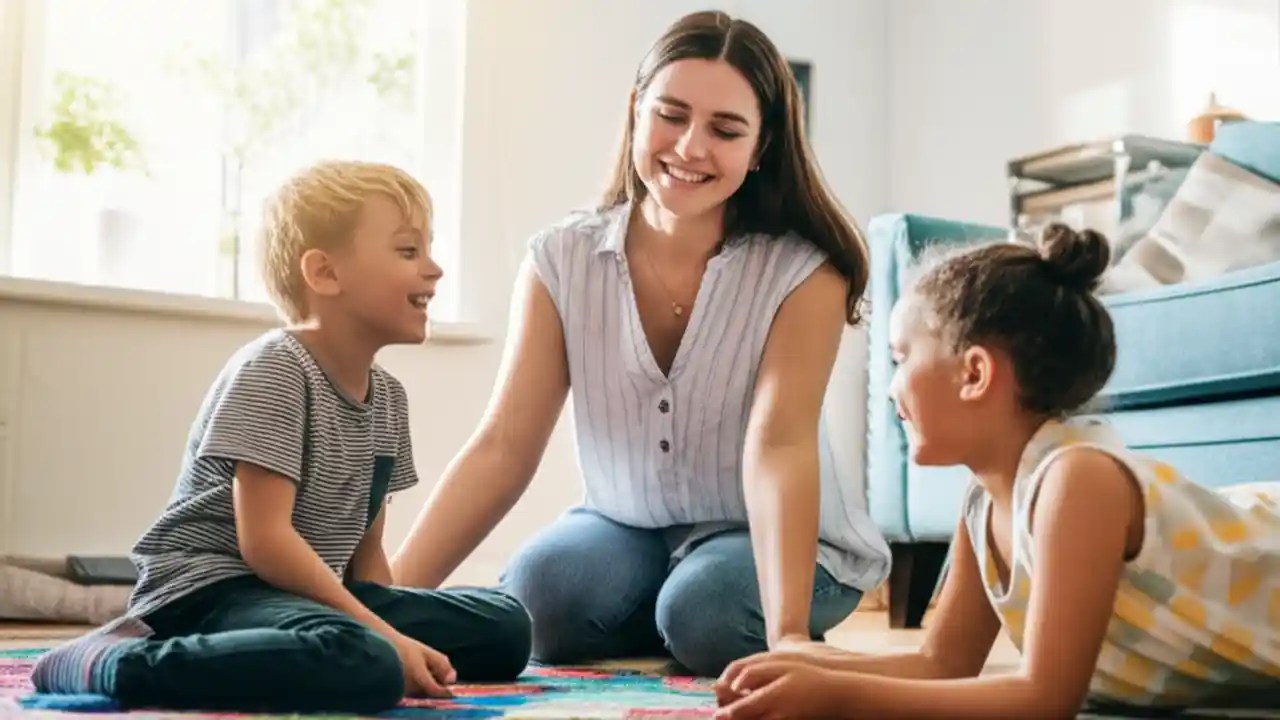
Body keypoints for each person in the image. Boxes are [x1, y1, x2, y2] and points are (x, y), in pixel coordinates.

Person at [391, 11, 891, 677]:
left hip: (774, 541)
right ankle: (667, 614)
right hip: (623, 526)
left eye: (726, 129)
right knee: (541, 598)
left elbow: (780, 444)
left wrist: (791, 635)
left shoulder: (804, 272)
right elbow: (505, 444)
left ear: (762, 144)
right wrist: (385, 604)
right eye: (671, 115)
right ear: (636, 110)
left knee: (706, 615)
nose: (689, 146)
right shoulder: (558, 259)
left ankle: (694, 617)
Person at [713, 224, 1280, 719]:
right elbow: (943, 663)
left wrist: (837, 698)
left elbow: (1044, 699)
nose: (890, 389)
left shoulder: (1078, 481)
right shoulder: (983, 501)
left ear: (975, 374)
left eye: (901, 358)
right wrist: (813, 659)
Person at [30, 161, 532, 714]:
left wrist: (391, 620)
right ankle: (109, 663)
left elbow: (366, 567)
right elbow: (264, 543)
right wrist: (383, 636)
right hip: (213, 591)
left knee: (506, 627)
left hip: (290, 595)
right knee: (363, 658)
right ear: (323, 273)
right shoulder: (275, 369)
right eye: (409, 252)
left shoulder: (388, 399)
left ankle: (333, 645)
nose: (434, 270)